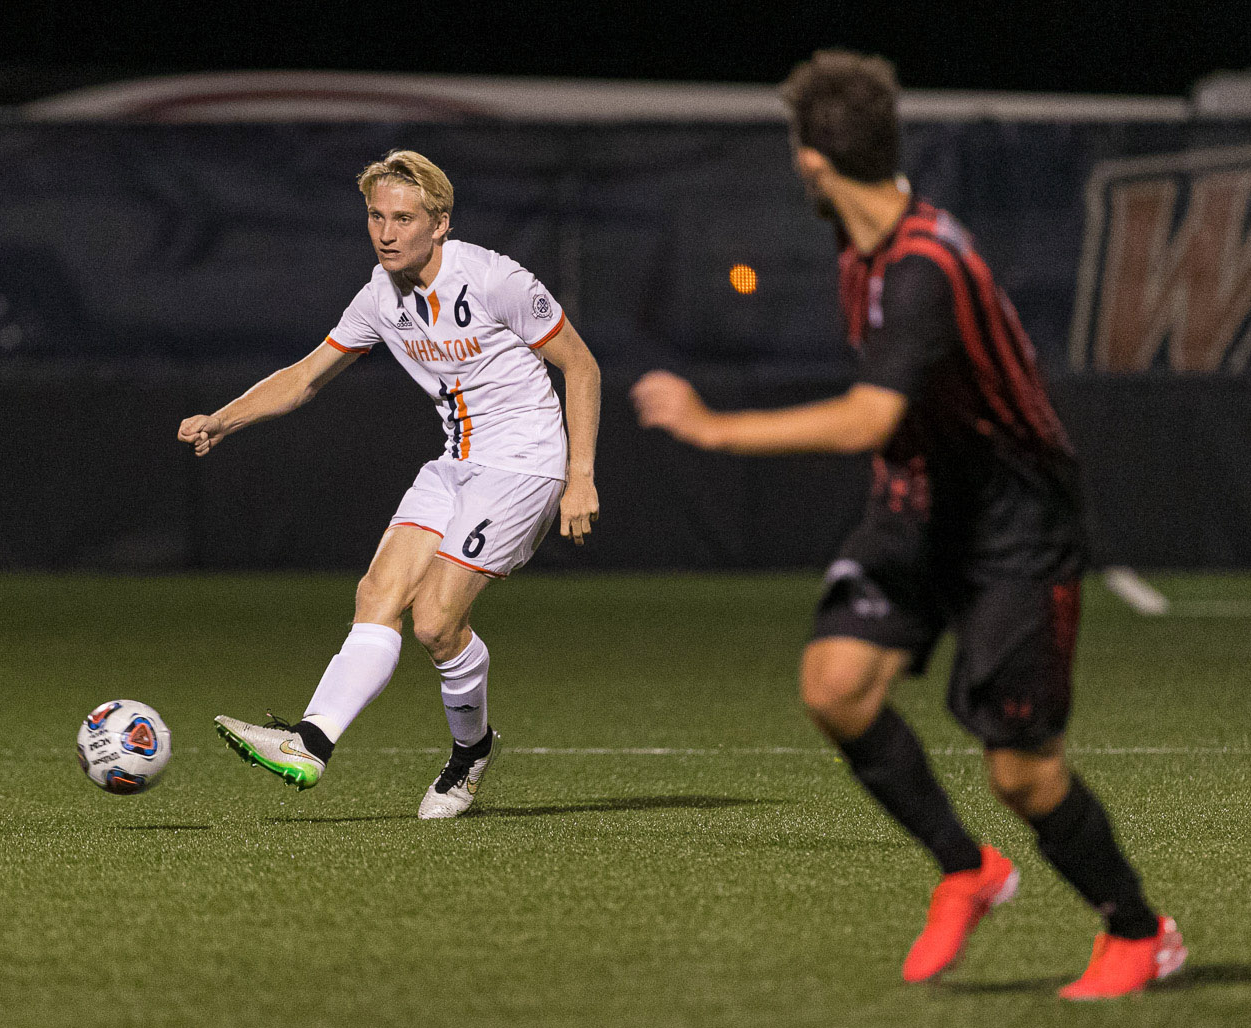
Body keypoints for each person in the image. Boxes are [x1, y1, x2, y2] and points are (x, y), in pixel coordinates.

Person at [630, 51, 1183, 999]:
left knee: (1022, 775)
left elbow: (867, 419)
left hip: (1015, 525)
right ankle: (969, 870)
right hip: (924, 505)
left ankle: (1141, 933)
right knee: (836, 685)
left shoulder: (926, 264)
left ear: (814, 162)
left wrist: (715, 427)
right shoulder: (866, 251)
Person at [180, 150, 600, 819]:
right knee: (377, 594)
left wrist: (581, 477)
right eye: (376, 216)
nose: (386, 232)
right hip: (456, 463)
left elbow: (580, 366)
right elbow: (305, 376)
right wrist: (224, 419)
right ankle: (310, 742)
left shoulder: (494, 279)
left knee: (435, 622)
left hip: (524, 466)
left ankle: (470, 754)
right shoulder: (379, 296)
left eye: (403, 218)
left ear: (441, 222)